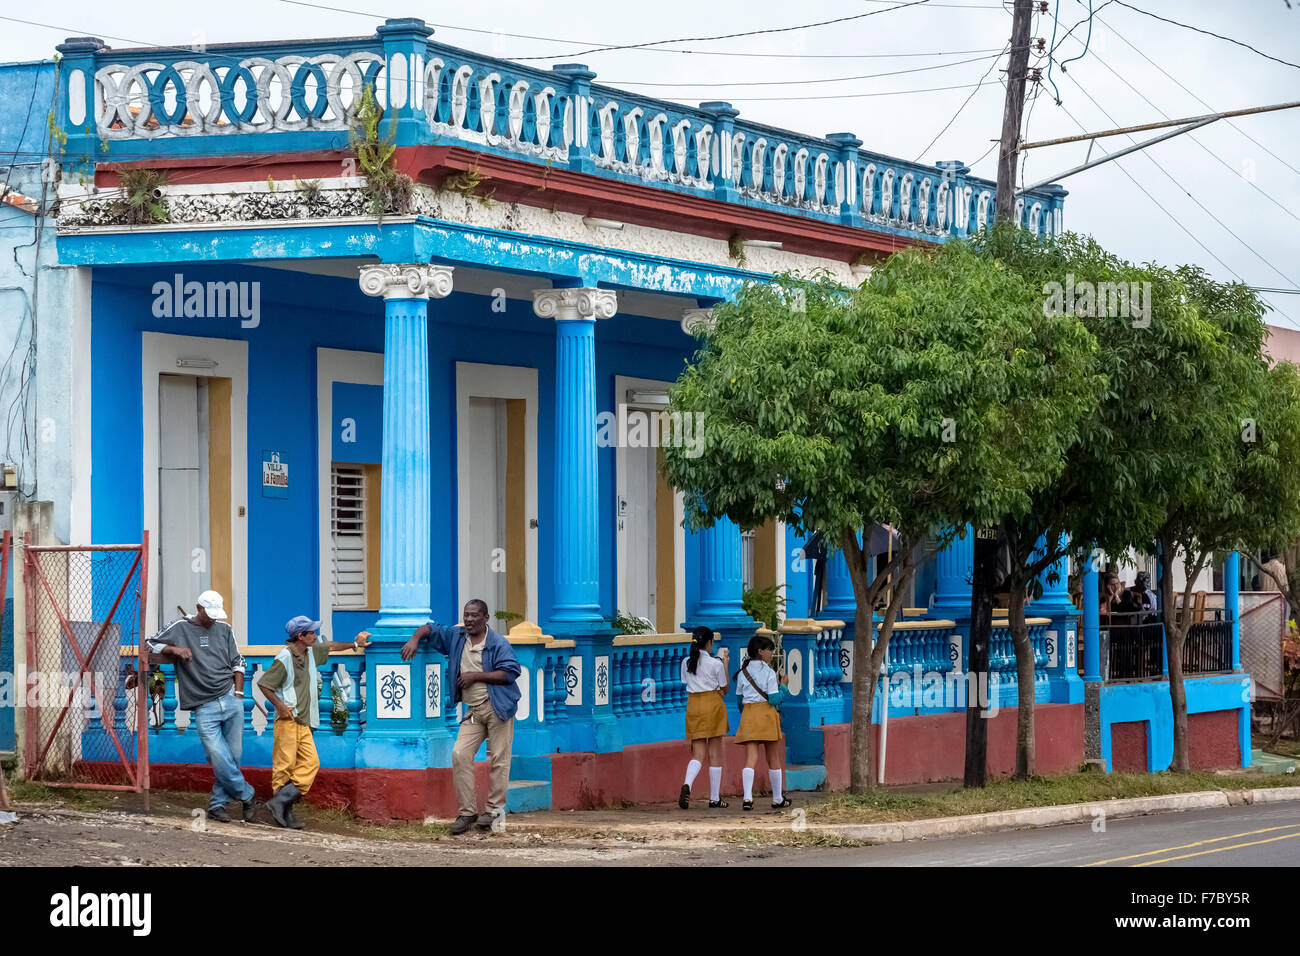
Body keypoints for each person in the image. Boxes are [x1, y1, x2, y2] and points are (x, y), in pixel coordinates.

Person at [400, 599, 520, 835]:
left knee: (498, 759)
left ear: (486, 618)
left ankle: (494, 811)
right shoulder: (456, 637)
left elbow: (509, 673)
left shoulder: (496, 642)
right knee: (460, 754)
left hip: (497, 707)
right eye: (466, 614)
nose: (469, 619)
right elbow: (429, 629)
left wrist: (475, 676)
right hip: (473, 710)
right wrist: (414, 639)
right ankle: (467, 812)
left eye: (475, 615)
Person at [146, 590, 256, 824]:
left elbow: (238, 661)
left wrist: (238, 693)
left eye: (216, 614)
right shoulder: (179, 626)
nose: (213, 618)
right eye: (209, 613)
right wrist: (174, 650)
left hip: (230, 697)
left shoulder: (224, 630)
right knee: (218, 755)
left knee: (232, 757)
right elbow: (150, 643)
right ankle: (247, 794)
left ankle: (218, 806)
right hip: (203, 705)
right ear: (198, 607)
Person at [257, 616, 370, 829]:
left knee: (311, 763)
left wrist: (355, 644)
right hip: (288, 720)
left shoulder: (309, 652)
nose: (315, 636)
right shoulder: (284, 658)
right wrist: (280, 706)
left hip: (303, 720)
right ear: (300, 636)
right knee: (284, 767)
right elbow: (265, 684)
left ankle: (280, 802)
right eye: (311, 633)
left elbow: (329, 646)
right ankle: (283, 811)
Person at [733, 633, 791, 812]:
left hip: (749, 715)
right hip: (766, 715)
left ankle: (748, 797)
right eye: (769, 650)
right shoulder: (768, 672)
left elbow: (739, 700)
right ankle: (777, 798)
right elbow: (774, 700)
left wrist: (748, 714)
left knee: (751, 758)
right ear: (760, 651)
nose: (771, 654)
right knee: (773, 758)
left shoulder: (742, 672)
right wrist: (784, 686)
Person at [678, 626, 730, 810]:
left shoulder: (686, 662)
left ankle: (688, 784)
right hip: (713, 704)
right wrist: (725, 665)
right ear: (709, 643)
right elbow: (725, 689)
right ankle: (715, 798)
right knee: (715, 752)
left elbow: (686, 682)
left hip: (694, 705)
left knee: (698, 754)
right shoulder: (715, 663)